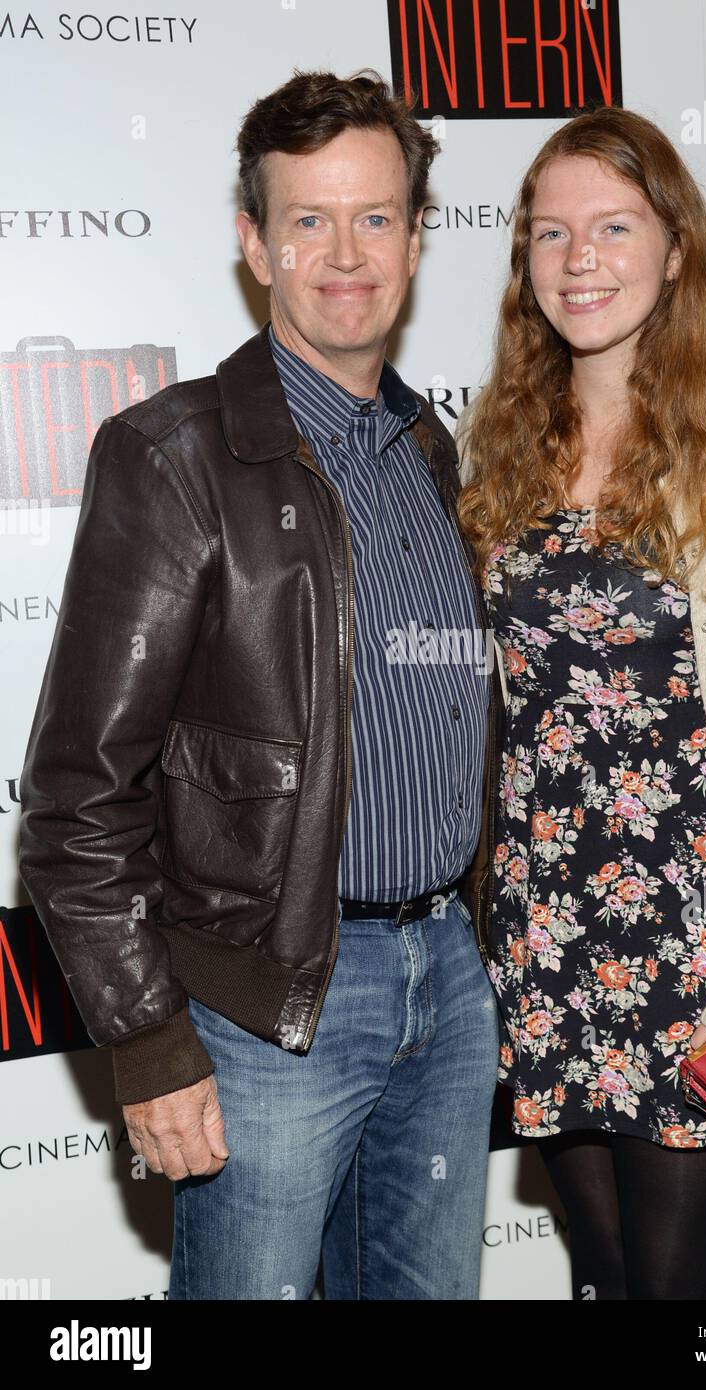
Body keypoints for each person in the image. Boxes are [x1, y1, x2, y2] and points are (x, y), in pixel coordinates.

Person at [18, 69, 505, 1301]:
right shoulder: (173, 456)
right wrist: (143, 1040)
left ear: (414, 235)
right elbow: (77, 800)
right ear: (254, 243)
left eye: (377, 217)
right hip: (270, 1002)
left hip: (448, 981)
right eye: (308, 221)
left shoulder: (429, 451)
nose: (346, 254)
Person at [456, 105, 706, 1301]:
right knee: (605, 1280)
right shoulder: (507, 436)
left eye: (614, 227)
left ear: (676, 247)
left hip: (695, 940)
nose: (579, 259)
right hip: (546, 928)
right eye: (549, 234)